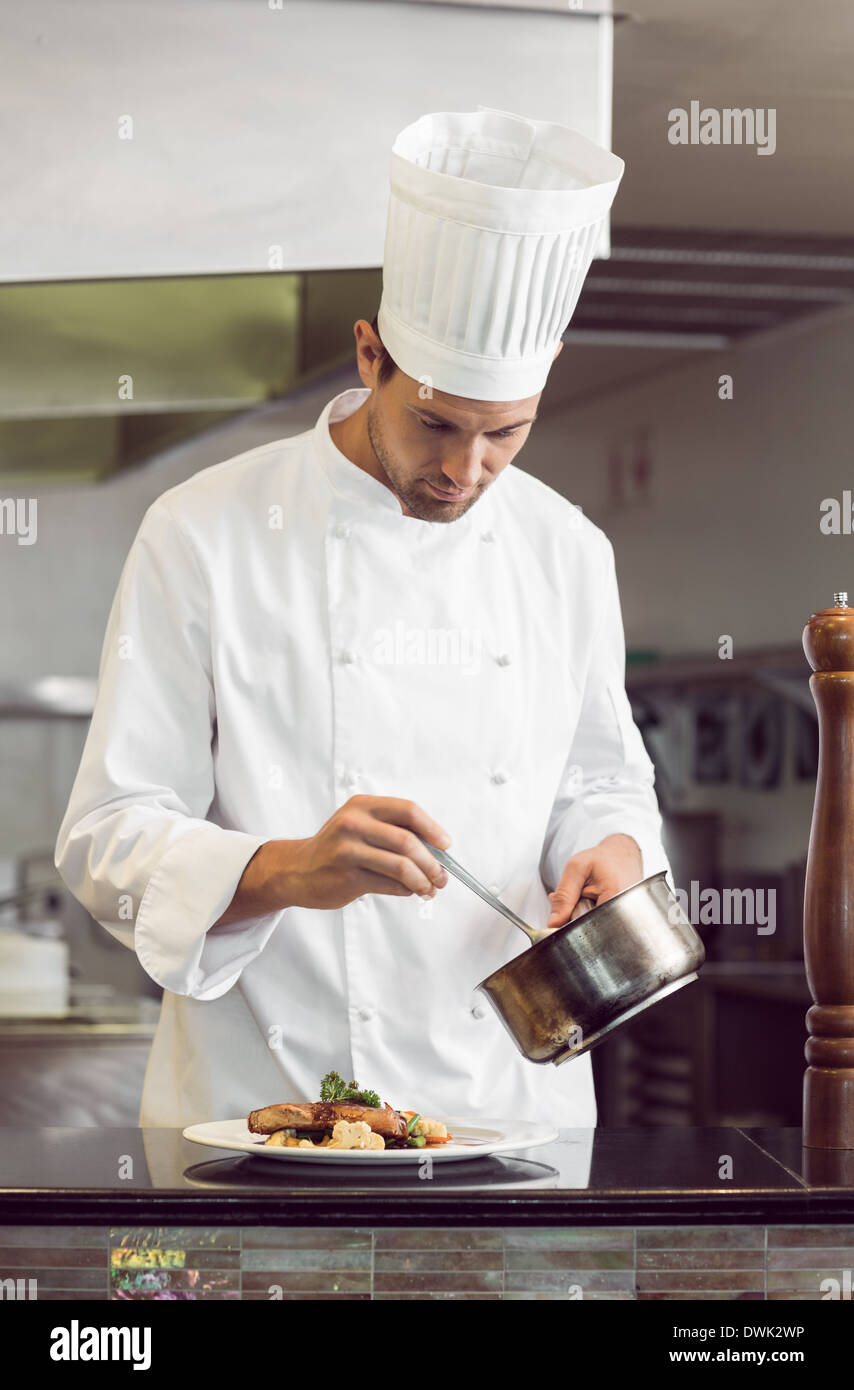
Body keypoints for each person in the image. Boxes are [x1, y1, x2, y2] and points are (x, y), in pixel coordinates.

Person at [55, 108, 670, 1127]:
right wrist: (284, 868)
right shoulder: (204, 532)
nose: (462, 472)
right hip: (263, 1110)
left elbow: (599, 779)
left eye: (503, 434)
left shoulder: (566, 550)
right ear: (368, 354)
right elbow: (105, 841)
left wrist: (606, 847)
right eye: (434, 423)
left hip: (509, 1108)